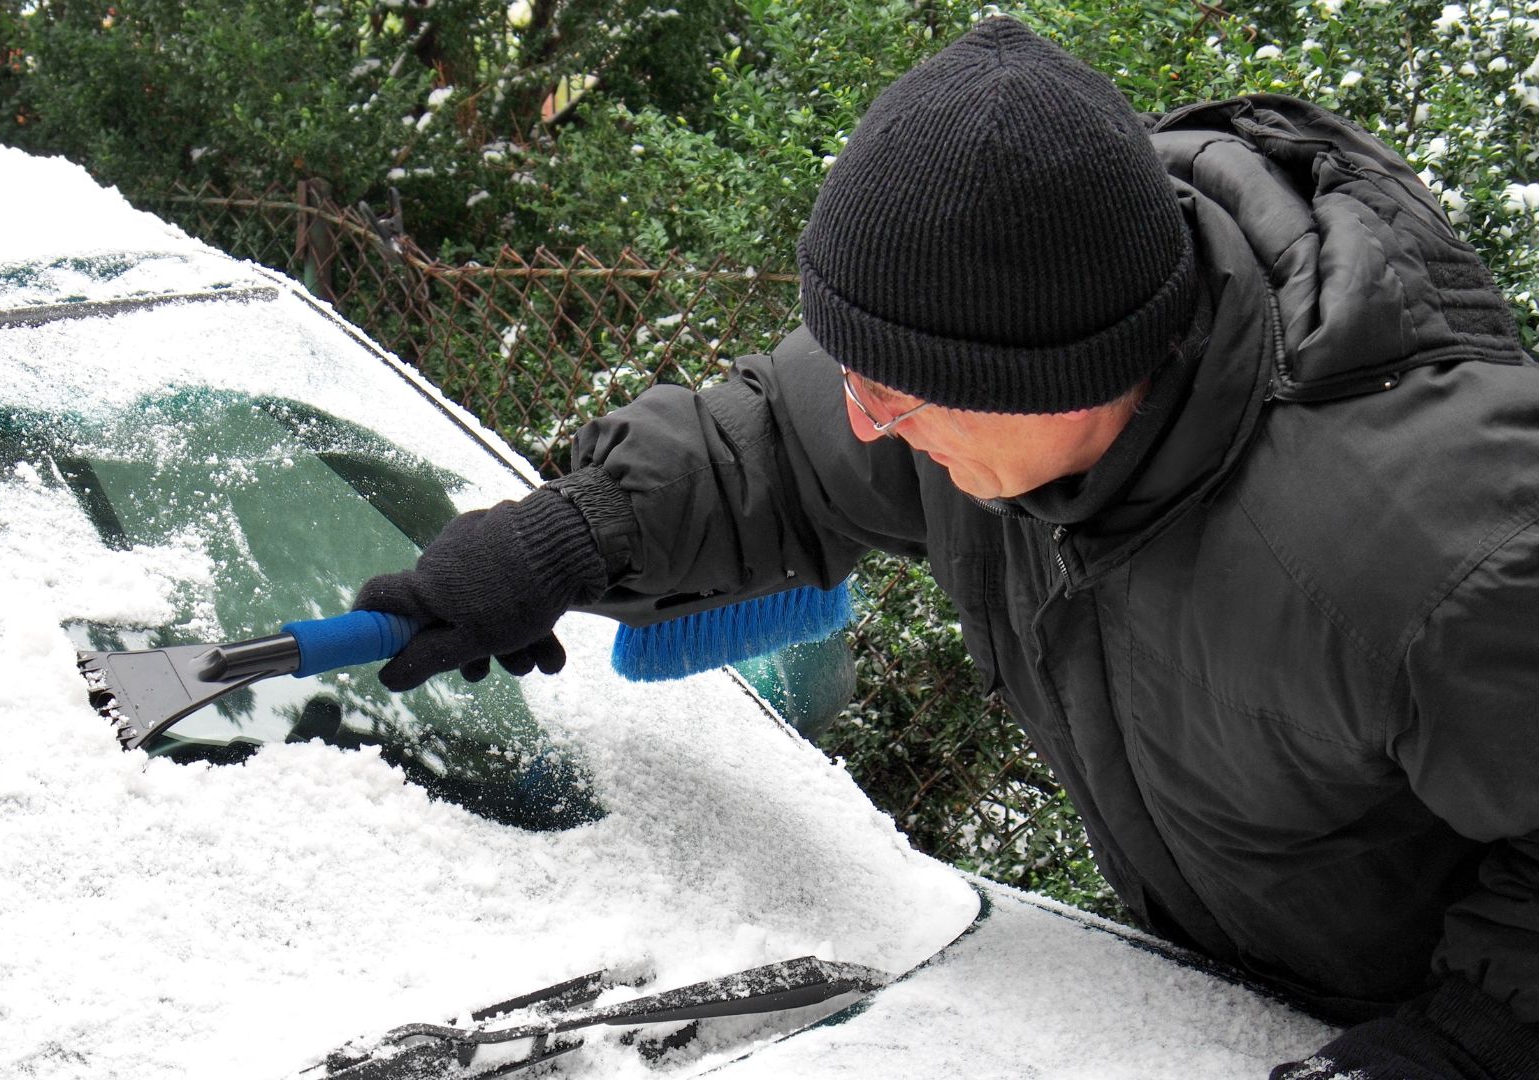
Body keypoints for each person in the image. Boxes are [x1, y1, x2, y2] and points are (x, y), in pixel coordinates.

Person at [353, 17, 1539, 1079]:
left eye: (898, 393)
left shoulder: (1434, 552)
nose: (869, 420)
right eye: (860, 371)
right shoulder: (988, 375)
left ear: (1061, 378)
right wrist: (571, 534)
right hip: (1220, 1004)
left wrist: (1473, 1041)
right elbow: (781, 442)